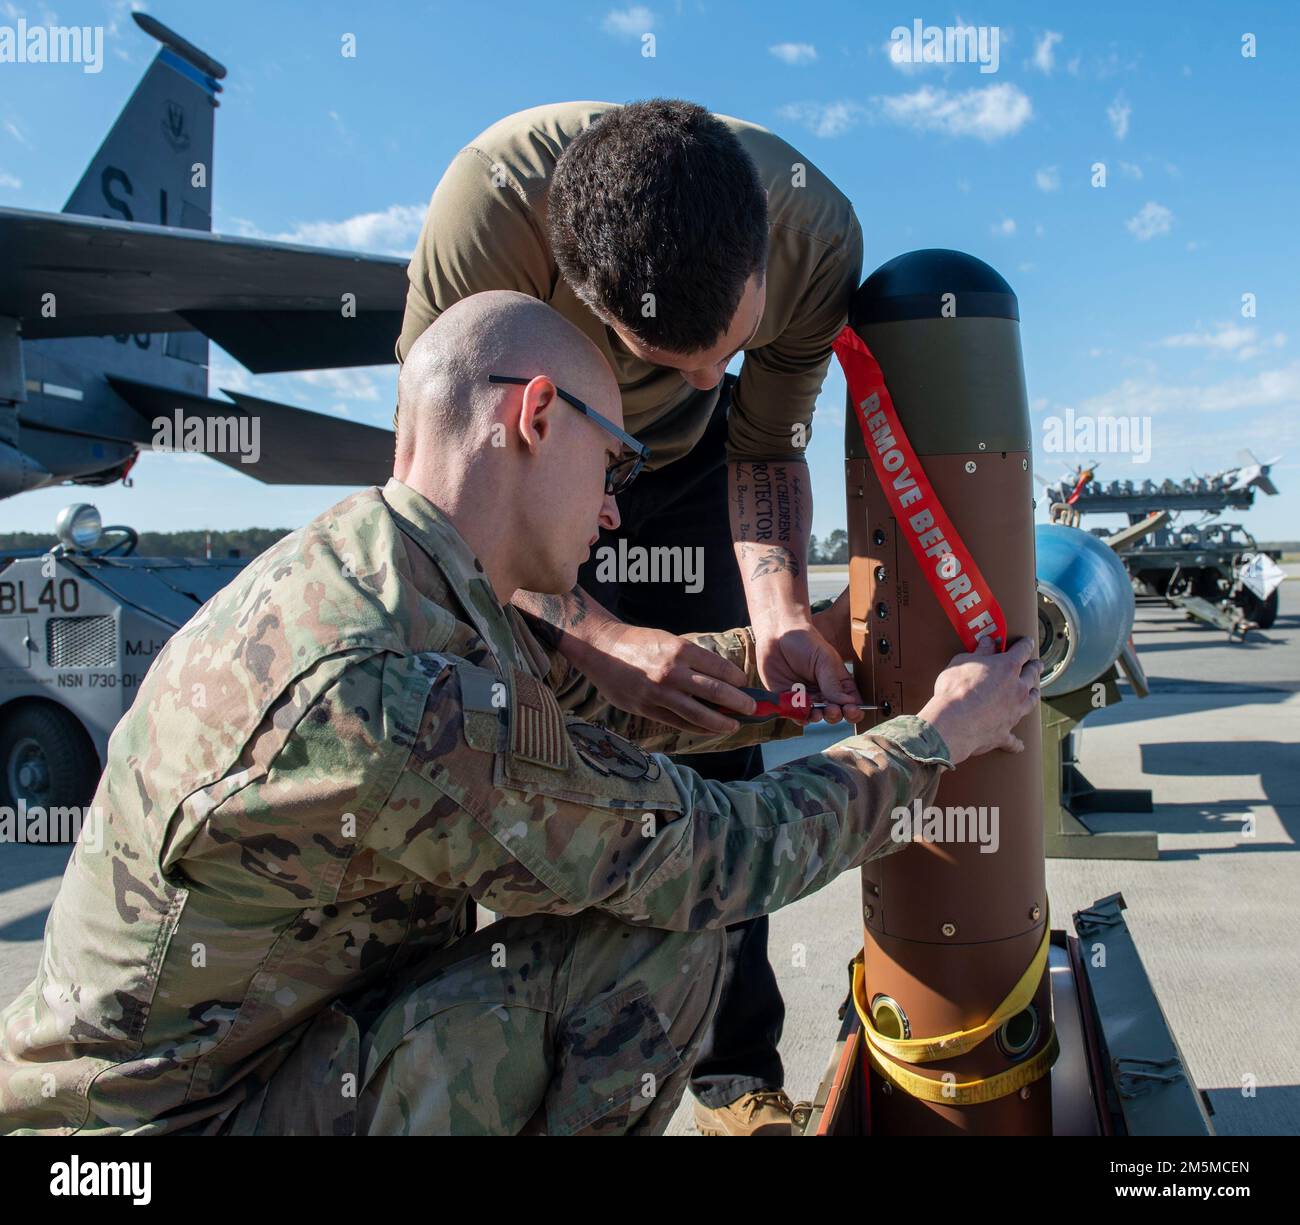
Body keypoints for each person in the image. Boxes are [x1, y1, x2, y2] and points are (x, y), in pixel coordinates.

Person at [0, 292, 1040, 1136]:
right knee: (661, 937)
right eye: (614, 463)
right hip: (166, 1129)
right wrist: (932, 741)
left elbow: (586, 708)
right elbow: (708, 849)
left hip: (249, 1058)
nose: (613, 507)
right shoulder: (386, 695)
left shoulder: (389, 569)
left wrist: (792, 671)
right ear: (536, 417)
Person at [398, 98, 870, 1133]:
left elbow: (764, 443)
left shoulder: (814, 235)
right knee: (535, 742)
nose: (704, 377)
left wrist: (782, 609)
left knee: (716, 738)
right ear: (575, 285)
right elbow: (445, 492)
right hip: (530, 459)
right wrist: (595, 635)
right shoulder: (489, 216)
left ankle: (730, 1081)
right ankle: (535, 1065)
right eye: (665, 353)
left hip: (708, 467)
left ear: (761, 263)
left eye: (728, 348)